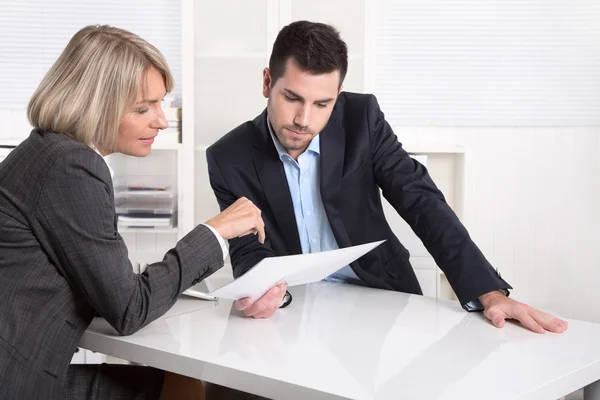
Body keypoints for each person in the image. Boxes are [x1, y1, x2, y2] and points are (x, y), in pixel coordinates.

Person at [206, 20, 568, 334]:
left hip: (379, 294)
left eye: (322, 104)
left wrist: (487, 291)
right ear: (268, 82)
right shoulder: (228, 157)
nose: (305, 119)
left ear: (337, 97)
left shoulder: (362, 118)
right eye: (292, 98)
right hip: (292, 307)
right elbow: (247, 245)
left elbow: (421, 200)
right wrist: (267, 290)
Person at [0, 25, 265, 400]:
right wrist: (215, 233)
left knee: (181, 383)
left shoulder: (43, 151)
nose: (160, 120)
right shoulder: (70, 166)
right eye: (143, 108)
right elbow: (128, 309)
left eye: (161, 103)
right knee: (182, 388)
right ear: (96, 105)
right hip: (18, 383)